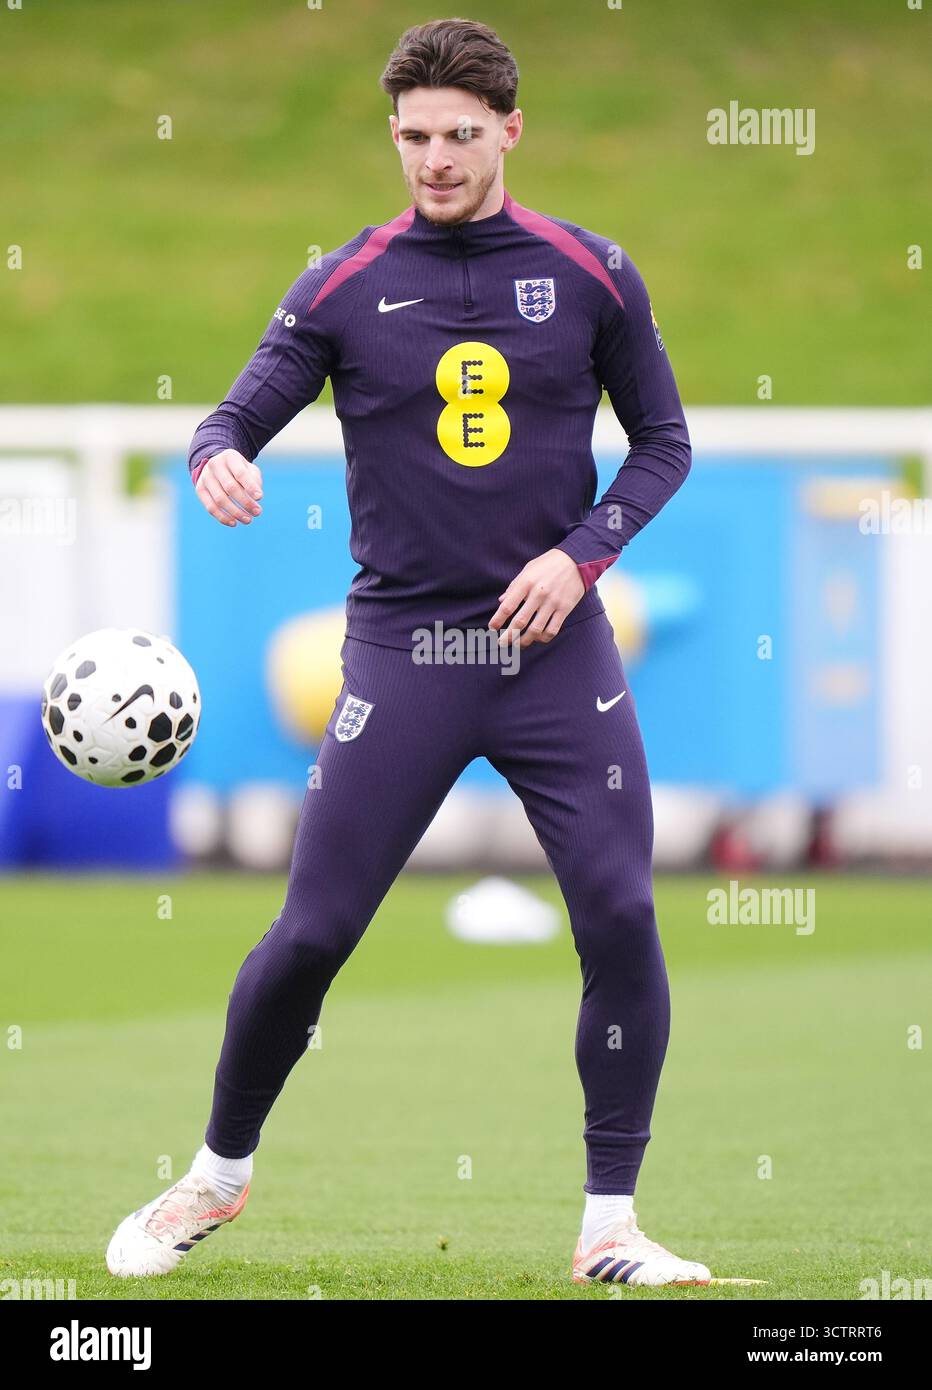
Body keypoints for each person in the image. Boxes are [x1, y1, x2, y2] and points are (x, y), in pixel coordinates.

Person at [107, 17, 709, 1289]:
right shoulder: (340, 280)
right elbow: (235, 411)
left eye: (457, 135)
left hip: (552, 648)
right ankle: (214, 1176)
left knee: (617, 909)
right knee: (314, 930)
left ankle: (609, 1224)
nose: (433, 160)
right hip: (400, 652)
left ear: (508, 129)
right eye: (412, 138)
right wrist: (218, 457)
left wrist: (580, 553)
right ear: (394, 135)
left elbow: (662, 442)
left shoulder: (592, 270)